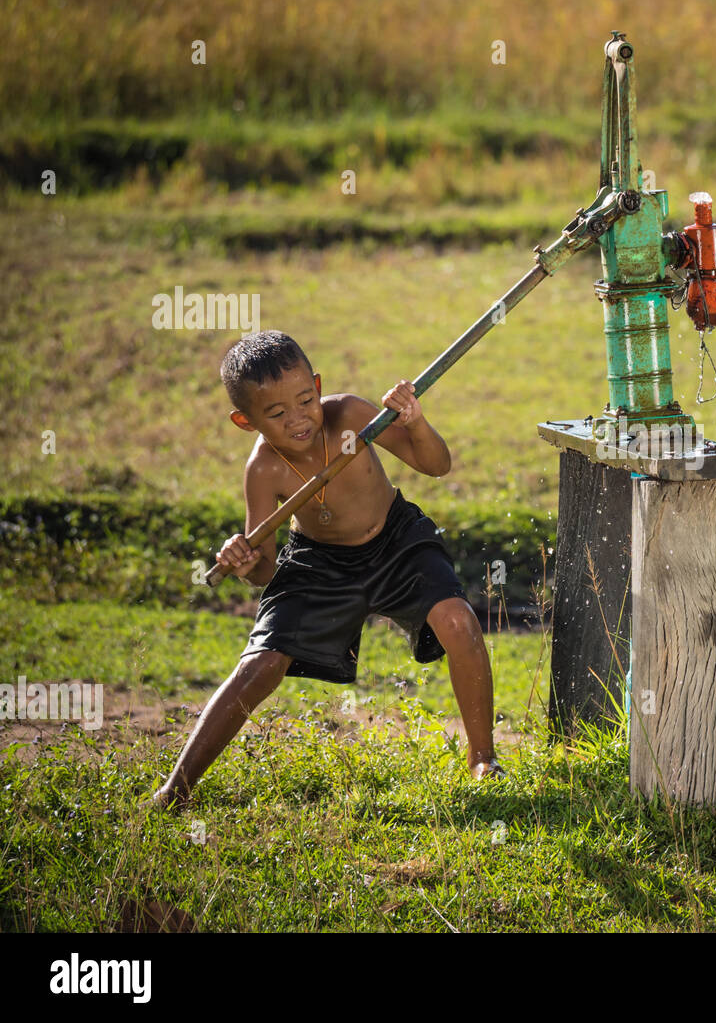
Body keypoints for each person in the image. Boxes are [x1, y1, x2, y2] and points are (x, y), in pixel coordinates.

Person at [152, 330, 500, 808]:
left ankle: (483, 759)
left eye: (305, 400)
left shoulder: (352, 417)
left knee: (458, 620)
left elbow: (436, 465)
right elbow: (264, 572)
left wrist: (415, 422)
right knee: (260, 664)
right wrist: (246, 559)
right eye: (275, 414)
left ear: (317, 386)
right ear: (244, 420)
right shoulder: (263, 471)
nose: (298, 419)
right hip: (318, 562)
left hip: (396, 540)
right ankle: (176, 789)